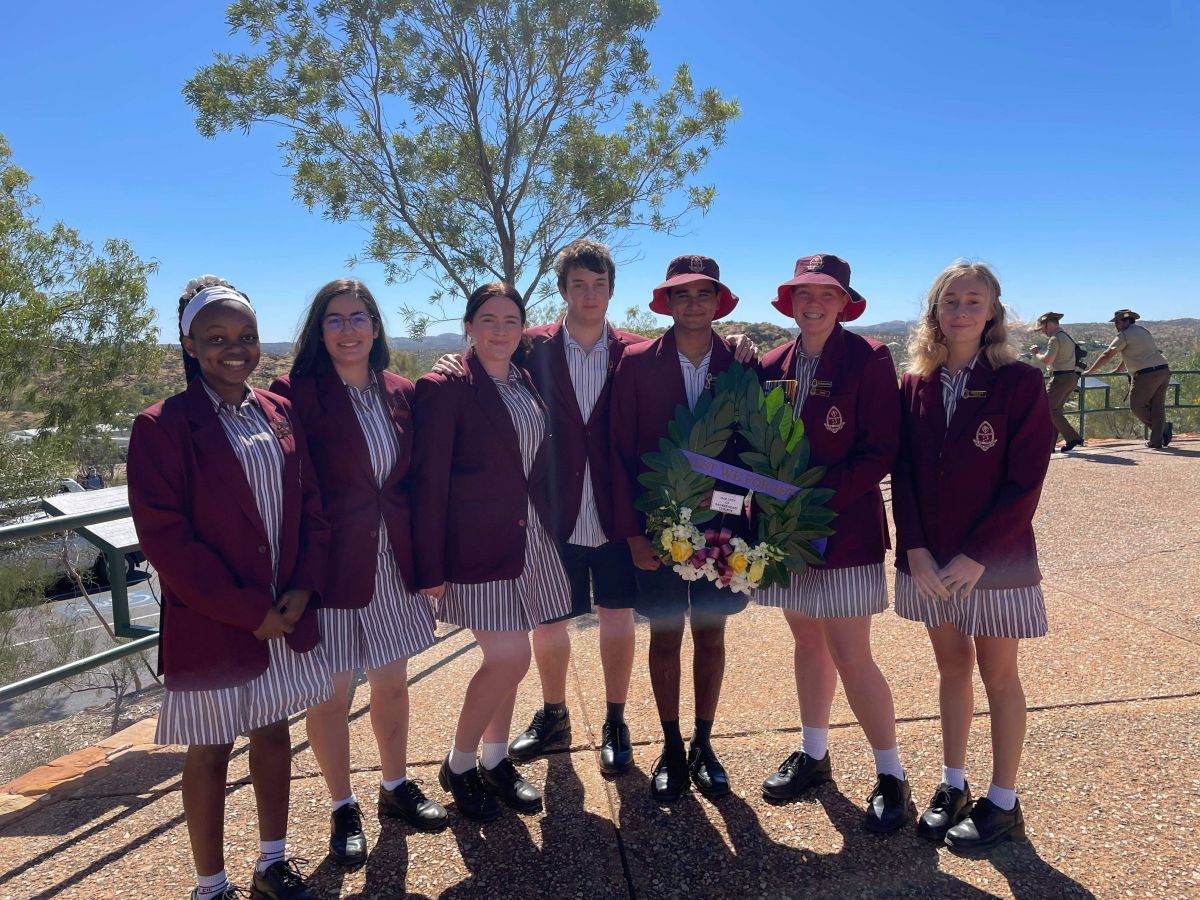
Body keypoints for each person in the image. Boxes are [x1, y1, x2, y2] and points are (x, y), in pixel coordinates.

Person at [431, 240, 756, 777]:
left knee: (616, 615)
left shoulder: (635, 352)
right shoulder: (532, 346)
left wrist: (737, 342)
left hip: (614, 507)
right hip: (550, 507)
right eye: (577, 285)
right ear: (562, 290)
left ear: (611, 290)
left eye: (598, 284)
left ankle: (615, 721)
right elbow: (486, 360)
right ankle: (554, 712)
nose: (588, 294)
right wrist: (453, 360)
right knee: (549, 621)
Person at [127, 276, 331, 900]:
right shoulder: (162, 426)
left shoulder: (278, 412)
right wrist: (248, 611)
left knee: (274, 734)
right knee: (211, 749)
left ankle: (272, 863)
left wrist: (302, 589)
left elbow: (310, 507)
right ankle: (210, 886)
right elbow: (168, 542)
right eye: (216, 338)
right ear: (189, 344)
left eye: (246, 335)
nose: (234, 348)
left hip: (283, 612)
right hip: (215, 620)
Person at [270, 279, 446, 865]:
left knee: (391, 682)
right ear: (319, 331)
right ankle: (342, 805)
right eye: (335, 319)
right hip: (329, 569)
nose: (348, 329)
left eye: (358, 317)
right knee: (330, 695)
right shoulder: (294, 395)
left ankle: (394, 787)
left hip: (393, 565)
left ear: (375, 326)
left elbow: (416, 484)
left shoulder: (401, 392)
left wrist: (429, 561)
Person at [892, 261, 1054, 851]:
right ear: (934, 311)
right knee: (952, 669)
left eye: (973, 301)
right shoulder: (915, 384)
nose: (961, 310)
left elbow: (1026, 480)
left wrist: (978, 555)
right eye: (950, 300)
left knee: (999, 676)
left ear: (992, 312)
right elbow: (904, 473)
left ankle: (1003, 801)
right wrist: (914, 549)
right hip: (932, 562)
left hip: (996, 562)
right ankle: (952, 783)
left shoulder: (1019, 382)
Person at [756, 254, 910, 833]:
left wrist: (814, 499)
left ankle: (891, 774)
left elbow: (881, 449)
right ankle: (814, 755)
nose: (813, 303)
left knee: (851, 653)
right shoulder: (771, 363)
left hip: (844, 532)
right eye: (803, 293)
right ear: (790, 302)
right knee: (806, 641)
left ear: (845, 302)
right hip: (786, 536)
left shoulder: (869, 358)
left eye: (826, 293)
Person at [411, 282, 573, 821]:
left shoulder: (522, 380)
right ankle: (458, 766)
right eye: (488, 320)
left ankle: (495, 759)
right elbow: (428, 481)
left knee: (507, 661)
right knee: (510, 658)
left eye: (510, 320)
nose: (500, 330)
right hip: (477, 544)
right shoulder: (445, 386)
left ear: (523, 328)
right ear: (468, 326)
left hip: (528, 537)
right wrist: (429, 565)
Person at [609, 254, 751, 803]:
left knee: (711, 635)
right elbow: (619, 453)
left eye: (704, 293)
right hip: (658, 529)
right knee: (665, 636)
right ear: (666, 303)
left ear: (719, 301)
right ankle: (670, 747)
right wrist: (633, 535)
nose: (694, 303)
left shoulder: (741, 363)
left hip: (724, 528)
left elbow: (757, 449)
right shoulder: (636, 363)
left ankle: (703, 745)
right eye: (682, 294)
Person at [1083, 309, 1173, 449]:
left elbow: (1107, 354)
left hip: (1146, 374)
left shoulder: (1124, 335)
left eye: (1117, 322)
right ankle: (1157, 439)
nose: (1115, 325)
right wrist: (1119, 369)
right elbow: (1131, 353)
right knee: (1157, 406)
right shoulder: (1143, 331)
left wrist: (1091, 371)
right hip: (1163, 370)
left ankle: (1162, 430)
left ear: (1126, 321)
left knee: (1136, 406)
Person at [1032, 312, 1085, 452]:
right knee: (1055, 411)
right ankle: (1051, 445)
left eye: (1043, 328)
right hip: (1071, 377)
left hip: (1060, 378)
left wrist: (1036, 353)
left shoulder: (1055, 338)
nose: (1043, 331)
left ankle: (1073, 438)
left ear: (1049, 324)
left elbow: (1048, 360)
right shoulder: (1066, 336)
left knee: (1047, 409)